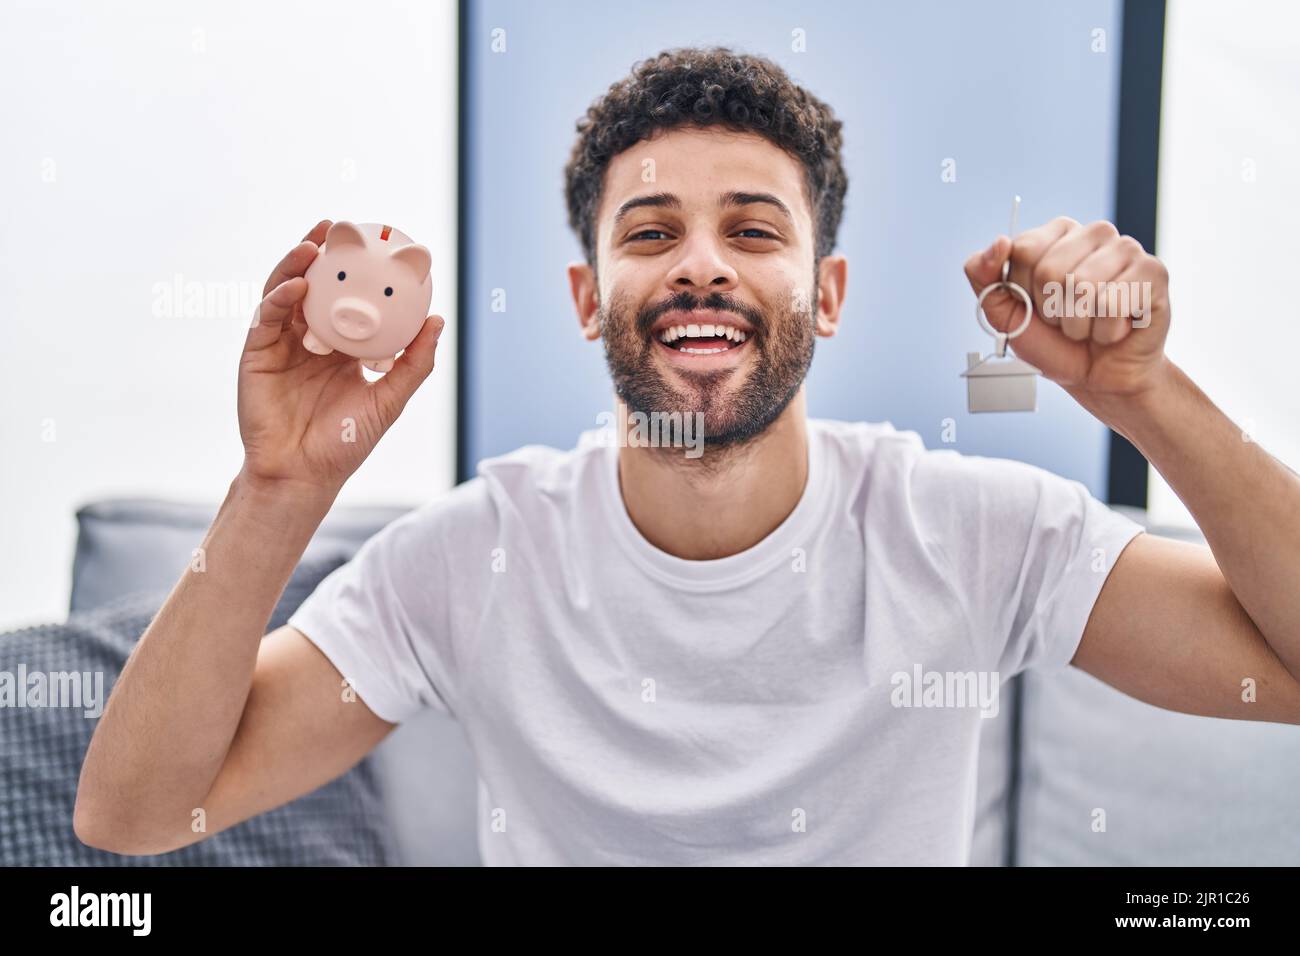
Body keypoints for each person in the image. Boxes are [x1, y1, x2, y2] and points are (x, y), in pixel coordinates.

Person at [75, 47, 1300, 865]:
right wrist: (280, 486)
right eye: (650, 231)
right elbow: (133, 811)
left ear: (824, 294)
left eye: (751, 229)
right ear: (584, 295)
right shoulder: (466, 559)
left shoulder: (970, 532)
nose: (700, 263)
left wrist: (1143, 395)